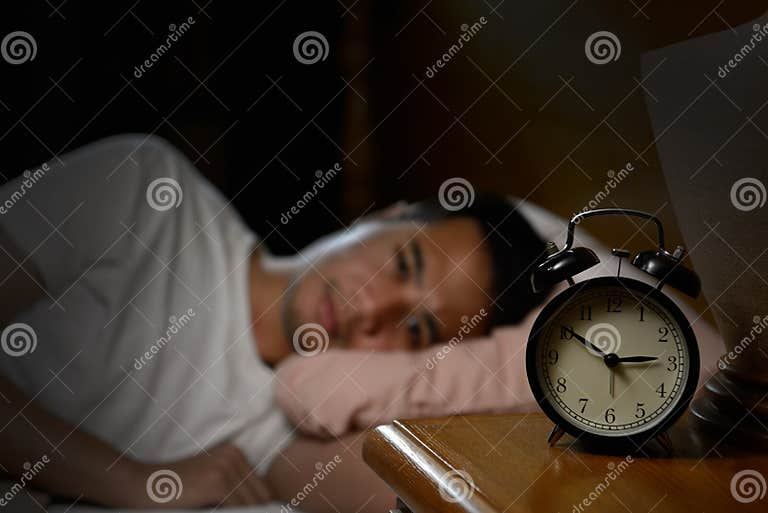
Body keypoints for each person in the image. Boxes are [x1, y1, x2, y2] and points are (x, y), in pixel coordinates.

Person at [0, 135, 549, 511]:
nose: (374, 308)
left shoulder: (286, 431)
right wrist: (136, 483)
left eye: (417, 329)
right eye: (402, 263)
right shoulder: (150, 194)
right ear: (383, 218)